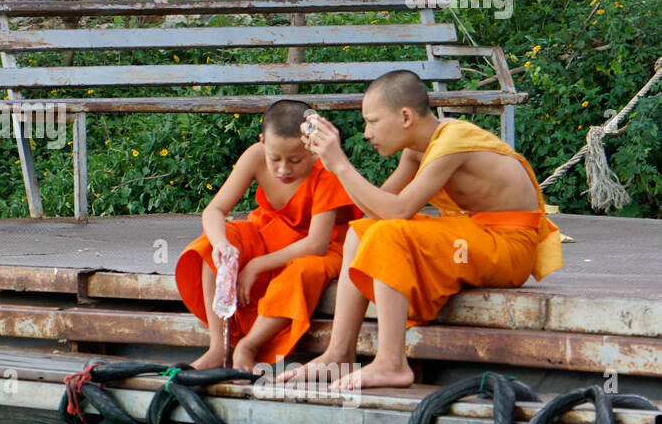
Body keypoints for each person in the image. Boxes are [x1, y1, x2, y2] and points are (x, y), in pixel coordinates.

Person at [276, 70, 564, 390]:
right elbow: (376, 210)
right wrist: (332, 164)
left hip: (509, 246)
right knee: (363, 231)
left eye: (372, 121)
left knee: (387, 234)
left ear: (405, 116)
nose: (367, 133)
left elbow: (398, 212)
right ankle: (338, 355)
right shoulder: (417, 151)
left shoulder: (452, 142)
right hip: (473, 233)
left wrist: (341, 164)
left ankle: (392, 363)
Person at [174, 99, 359, 372]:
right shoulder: (255, 155)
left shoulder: (326, 170)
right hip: (269, 231)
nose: (284, 169)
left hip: (320, 246)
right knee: (210, 246)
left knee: (304, 270)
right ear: (263, 142)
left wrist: (257, 264)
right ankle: (218, 347)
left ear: (312, 147)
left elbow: (317, 244)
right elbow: (215, 210)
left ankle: (248, 346)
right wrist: (221, 244)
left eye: (295, 160)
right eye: (275, 159)